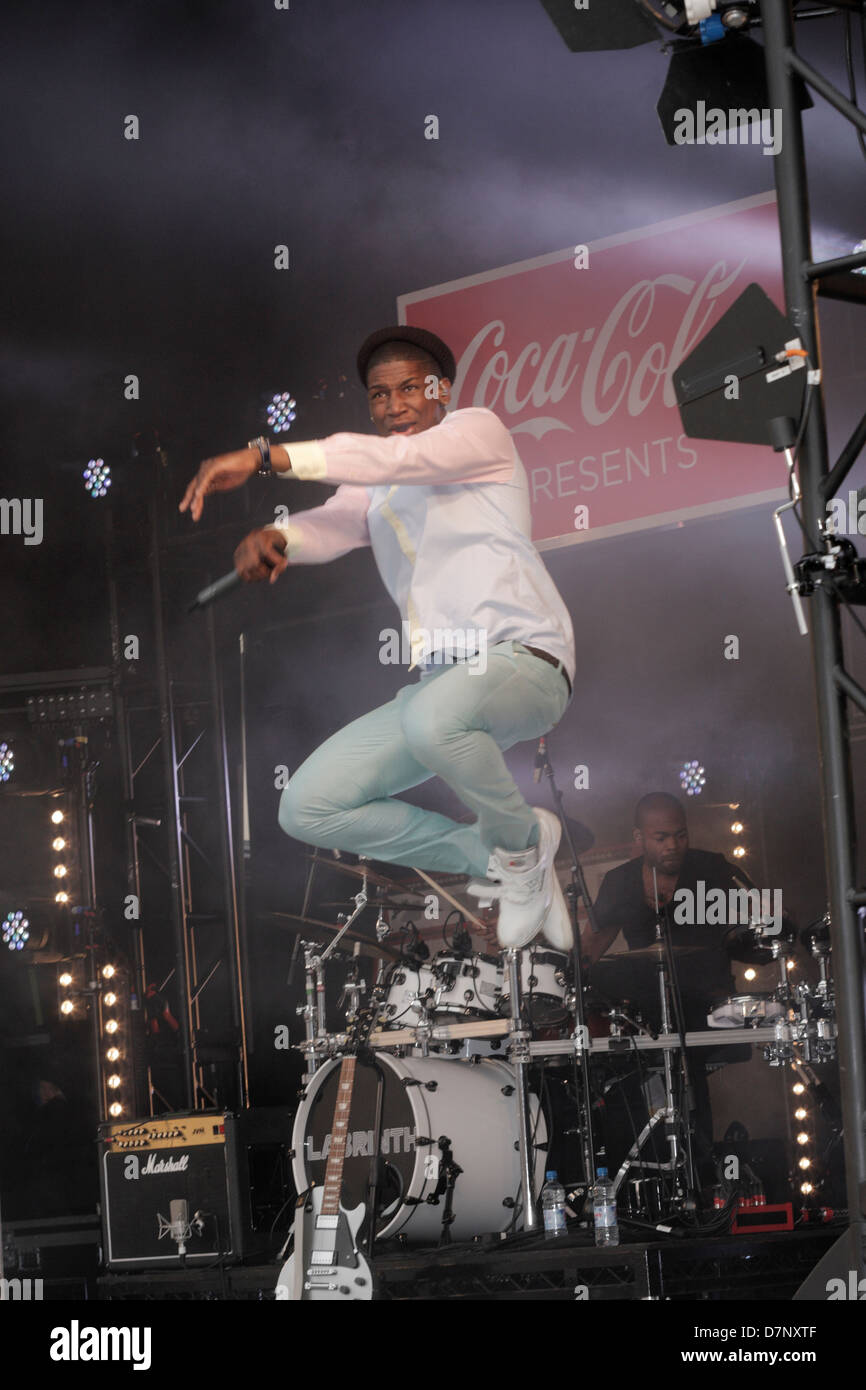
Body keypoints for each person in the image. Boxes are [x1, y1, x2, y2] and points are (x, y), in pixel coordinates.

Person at [180, 325, 576, 950]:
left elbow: (398, 460)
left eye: (409, 389)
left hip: (525, 656)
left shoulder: (477, 432)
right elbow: (340, 518)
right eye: (378, 395)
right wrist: (281, 537)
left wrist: (263, 455)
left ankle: (521, 853)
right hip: (442, 684)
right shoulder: (379, 481)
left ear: (442, 389)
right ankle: (494, 854)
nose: (393, 406)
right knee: (307, 806)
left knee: (431, 722)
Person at [582, 791, 766, 1189]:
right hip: (645, 1011)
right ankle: (644, 1181)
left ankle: (699, 1179)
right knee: (624, 1078)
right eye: (661, 837)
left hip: (708, 1004)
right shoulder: (618, 883)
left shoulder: (713, 870)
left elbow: (765, 920)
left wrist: (763, 927)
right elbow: (588, 953)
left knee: (686, 1071)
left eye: (680, 835)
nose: (672, 845)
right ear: (639, 838)